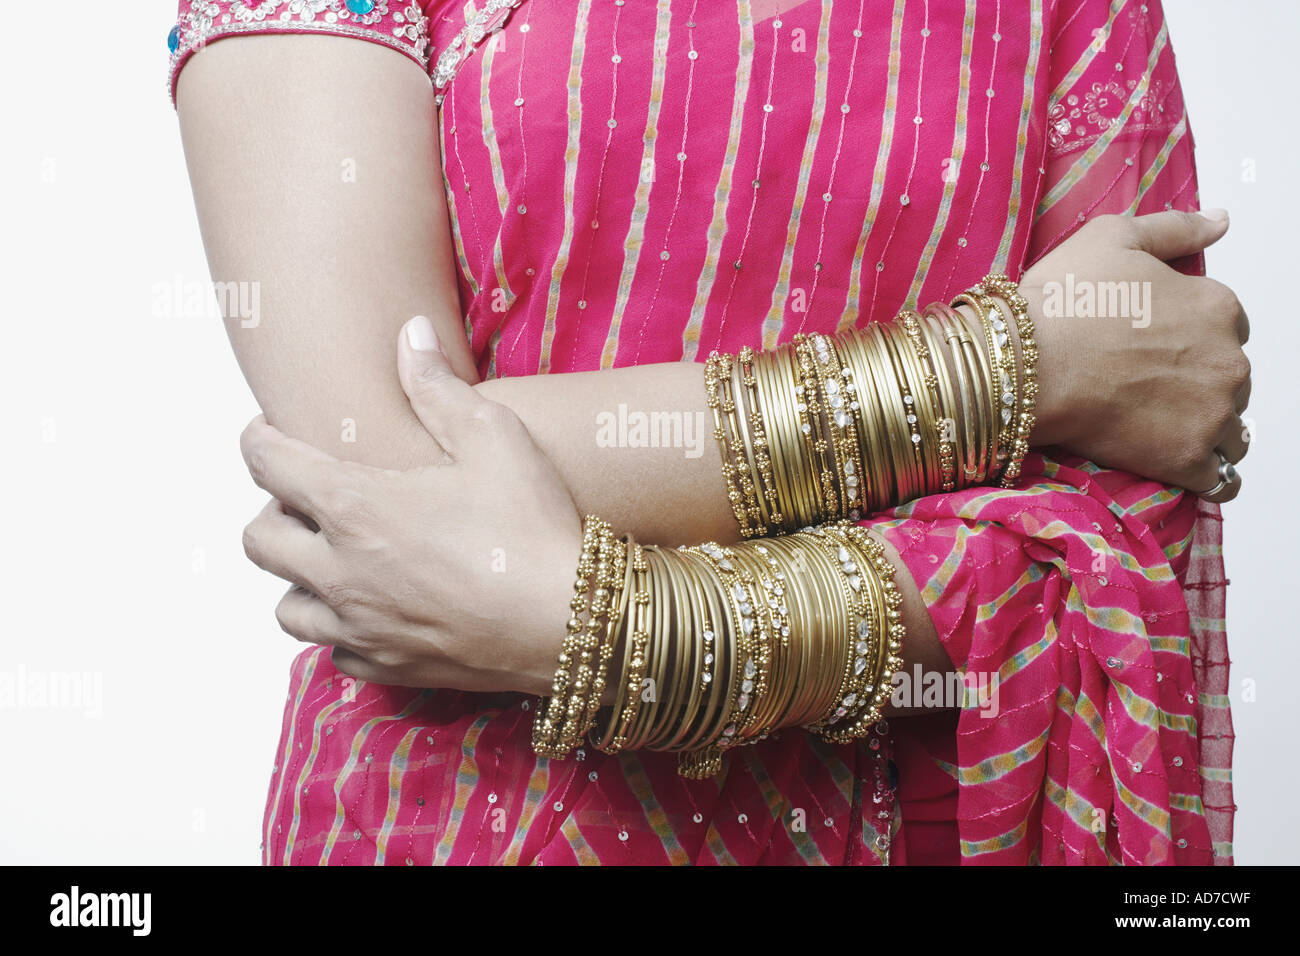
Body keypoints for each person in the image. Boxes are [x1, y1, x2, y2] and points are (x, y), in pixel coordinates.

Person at [171, 0, 1244, 864]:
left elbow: (1109, 513)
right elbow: (373, 459)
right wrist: (1011, 368)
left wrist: (604, 625)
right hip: (450, 814)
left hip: (914, 810)